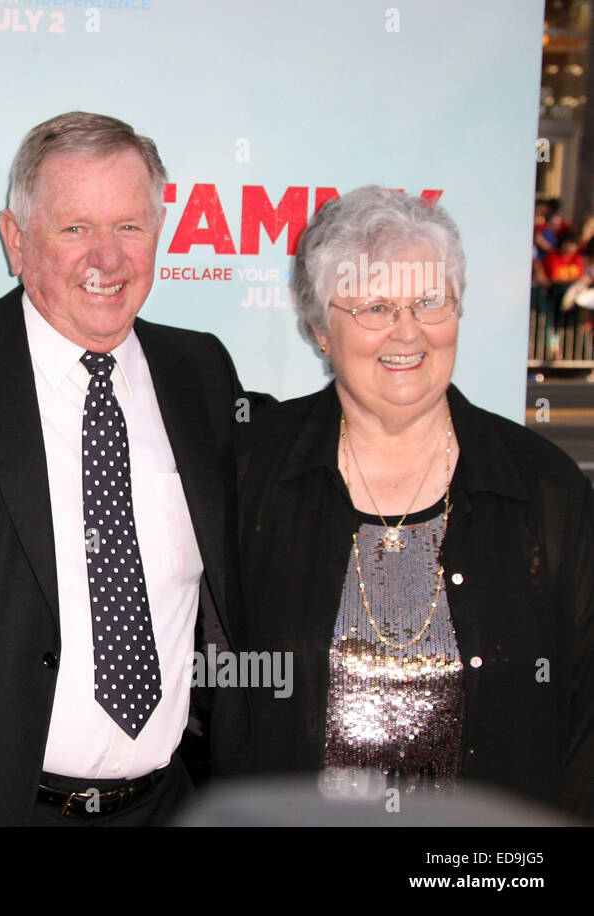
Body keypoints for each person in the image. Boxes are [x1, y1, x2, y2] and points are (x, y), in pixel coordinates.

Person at [0, 111, 248, 825]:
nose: (107, 260)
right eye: (75, 228)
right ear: (15, 241)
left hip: (169, 804)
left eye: (130, 227)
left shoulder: (201, 371)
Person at [233, 185, 593, 818]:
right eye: (375, 306)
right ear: (320, 326)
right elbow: (206, 701)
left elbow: (582, 724)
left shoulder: (545, 490)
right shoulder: (251, 473)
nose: (408, 332)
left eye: (430, 301)